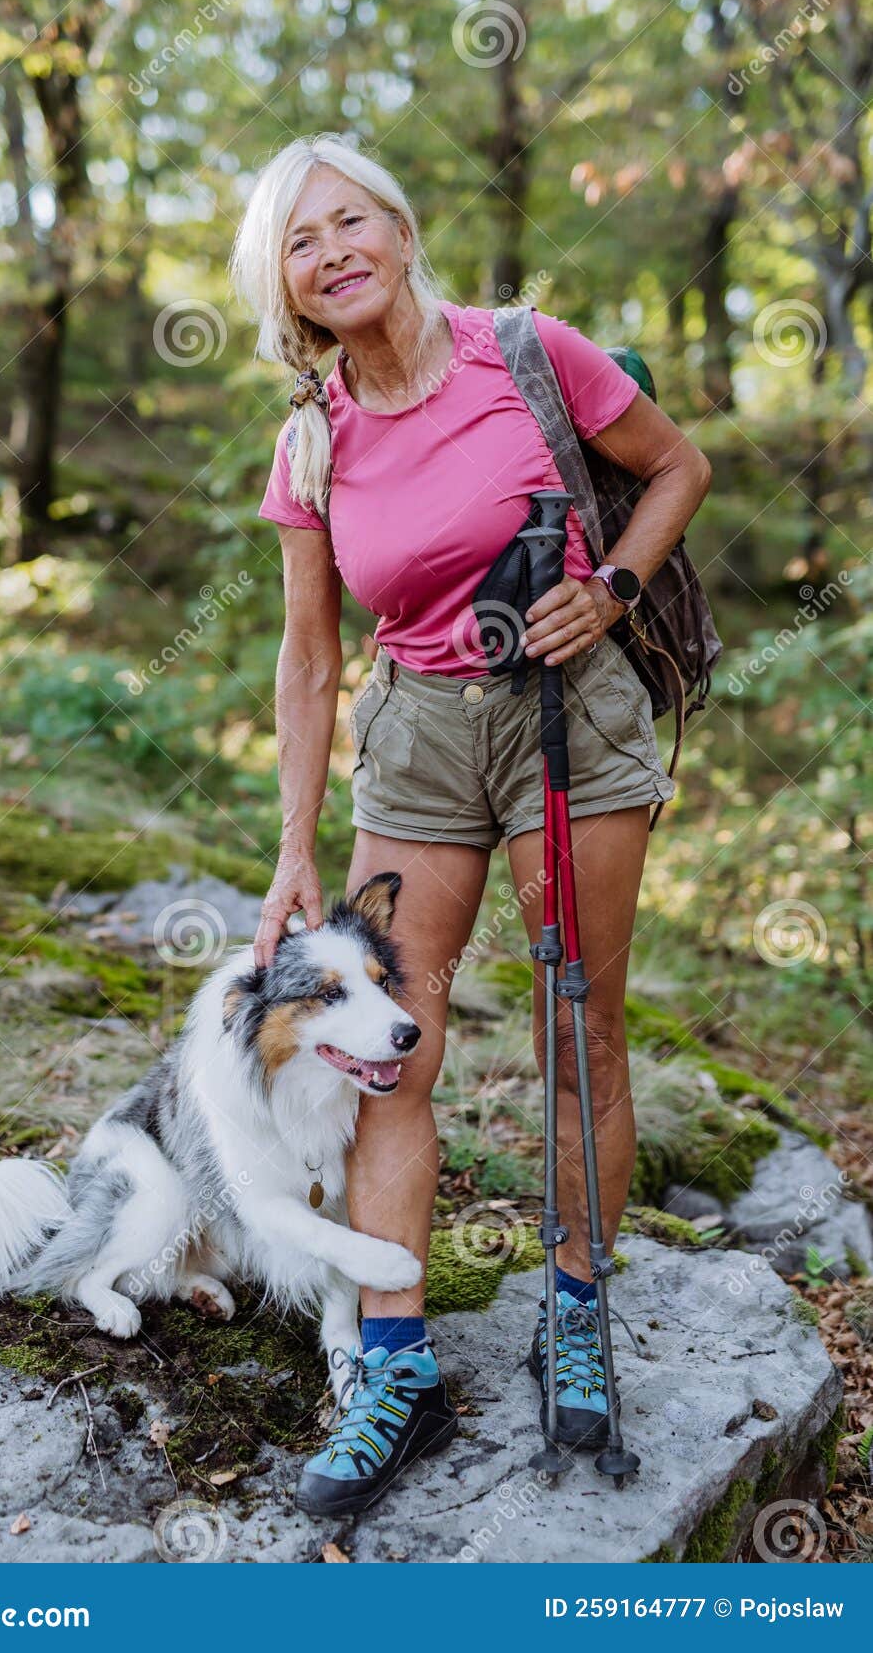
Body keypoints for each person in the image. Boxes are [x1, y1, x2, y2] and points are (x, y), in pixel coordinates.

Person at [228, 133, 712, 1517]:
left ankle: (575, 1306)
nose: (332, 252)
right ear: (289, 291)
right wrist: (293, 843)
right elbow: (309, 656)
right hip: (422, 737)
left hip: (578, 715)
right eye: (298, 245)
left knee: (583, 1018)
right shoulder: (313, 440)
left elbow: (677, 469)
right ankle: (396, 1361)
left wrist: (613, 584)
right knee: (395, 1049)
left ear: (394, 222)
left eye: (346, 221)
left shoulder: (527, 350)